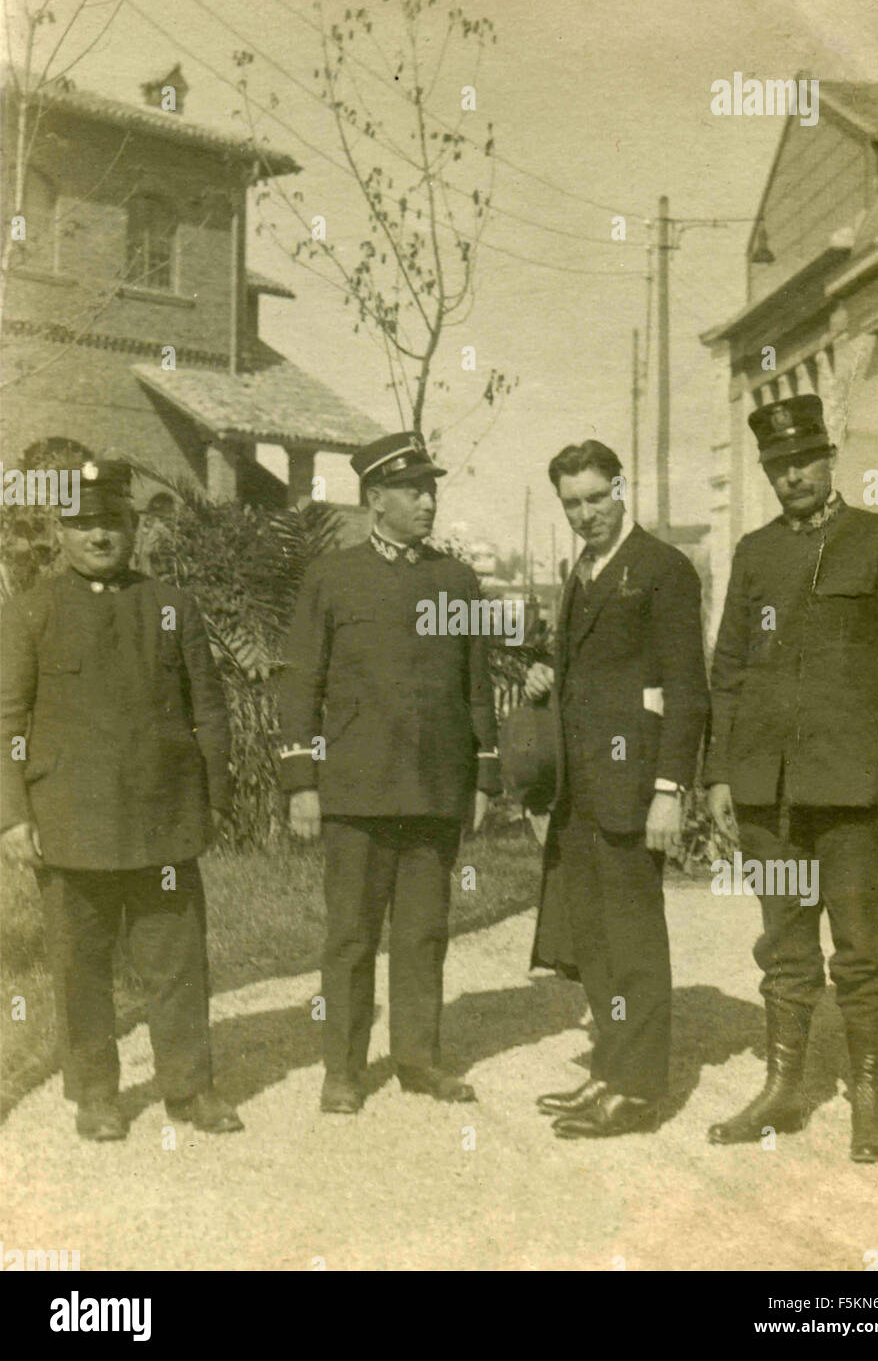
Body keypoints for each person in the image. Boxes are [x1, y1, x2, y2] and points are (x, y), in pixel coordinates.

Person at [704, 395, 878, 1162]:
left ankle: (871, 1096)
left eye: (803, 460)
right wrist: (717, 775)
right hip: (768, 789)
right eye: (776, 465)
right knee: (784, 946)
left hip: (853, 786)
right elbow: (728, 670)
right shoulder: (754, 553)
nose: (791, 475)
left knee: (863, 948)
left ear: (828, 458)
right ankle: (783, 1093)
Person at [0, 460, 242, 1140]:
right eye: (84, 524)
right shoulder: (31, 610)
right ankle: (96, 1095)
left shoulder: (170, 605)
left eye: (112, 522)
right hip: (70, 825)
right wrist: (14, 814)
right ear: (62, 533)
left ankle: (190, 1088)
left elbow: (211, 711)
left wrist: (215, 798)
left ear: (133, 527)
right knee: (81, 967)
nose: (100, 536)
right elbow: (7, 722)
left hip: (163, 819)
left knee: (177, 961)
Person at [279, 433, 501, 1114]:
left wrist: (484, 774)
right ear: (375, 501)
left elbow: (474, 684)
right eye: (413, 491)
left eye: (431, 490)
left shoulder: (454, 581)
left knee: (423, 931)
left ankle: (417, 1058)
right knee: (350, 935)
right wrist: (300, 781)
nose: (428, 501)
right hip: (355, 789)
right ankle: (342, 1069)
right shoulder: (332, 577)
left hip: (433, 787)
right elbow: (298, 683)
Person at [526, 439, 709, 1138]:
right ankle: (608, 1068)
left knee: (632, 942)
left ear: (620, 488)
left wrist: (669, 788)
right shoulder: (581, 570)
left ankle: (636, 1093)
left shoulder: (662, 569)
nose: (585, 513)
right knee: (594, 941)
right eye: (572, 503)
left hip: (633, 789)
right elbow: (584, 668)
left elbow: (686, 689)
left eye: (596, 498)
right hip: (580, 790)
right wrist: (548, 675)